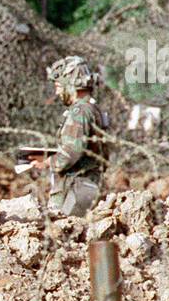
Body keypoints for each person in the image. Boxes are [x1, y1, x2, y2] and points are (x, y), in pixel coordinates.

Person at [29, 56, 110, 217]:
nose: (57, 92)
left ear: (71, 85)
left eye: (59, 86)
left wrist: (47, 162)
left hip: (75, 186)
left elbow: (73, 151)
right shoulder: (92, 108)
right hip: (87, 184)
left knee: (62, 232)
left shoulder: (79, 111)